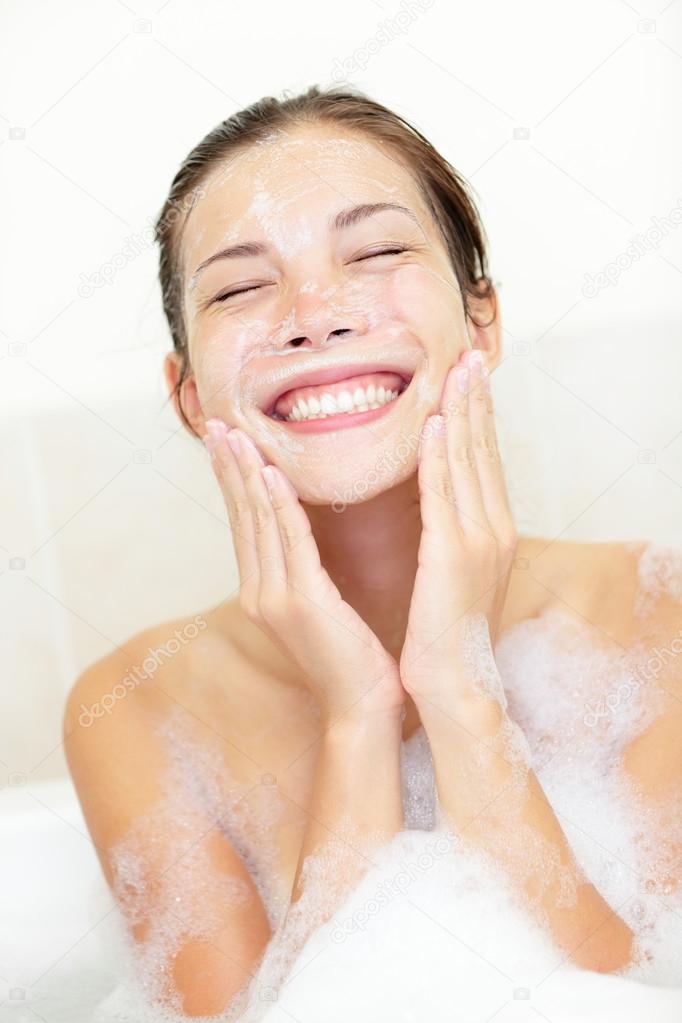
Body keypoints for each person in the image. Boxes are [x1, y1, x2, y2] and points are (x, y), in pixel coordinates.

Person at [63, 84, 682, 1018]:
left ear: (485, 323)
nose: (316, 312)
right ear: (188, 396)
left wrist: (461, 689)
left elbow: (635, 999)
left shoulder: (656, 614)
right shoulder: (136, 706)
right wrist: (357, 712)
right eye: (238, 286)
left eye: (379, 251)